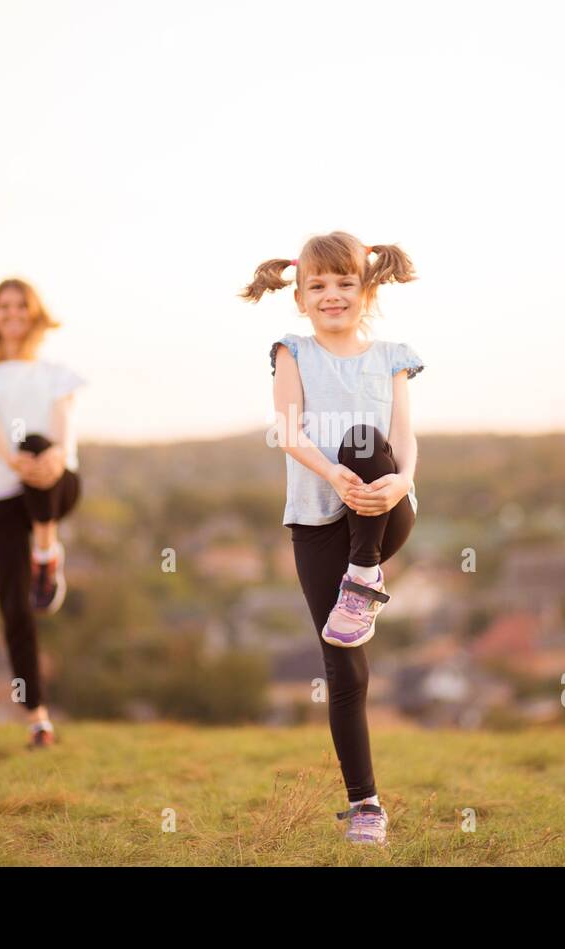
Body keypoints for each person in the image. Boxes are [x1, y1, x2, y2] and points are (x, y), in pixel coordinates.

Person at [242, 231, 424, 845]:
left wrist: (400, 483)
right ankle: (366, 804)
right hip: (316, 522)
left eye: (345, 283)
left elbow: (406, 437)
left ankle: (367, 573)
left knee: (367, 442)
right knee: (344, 667)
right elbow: (289, 433)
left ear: (365, 288)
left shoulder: (392, 355)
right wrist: (334, 477)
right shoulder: (292, 351)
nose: (332, 295)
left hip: (383, 513)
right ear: (299, 295)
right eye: (318, 286)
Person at [0, 278, 86, 749]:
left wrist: (51, 460)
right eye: (2, 307)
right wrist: (14, 463)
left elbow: (64, 423)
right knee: (15, 609)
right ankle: (38, 720)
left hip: (55, 484)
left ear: (34, 314)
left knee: (35, 439)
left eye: (20, 306)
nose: (11, 314)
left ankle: (46, 553)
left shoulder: (57, 373)